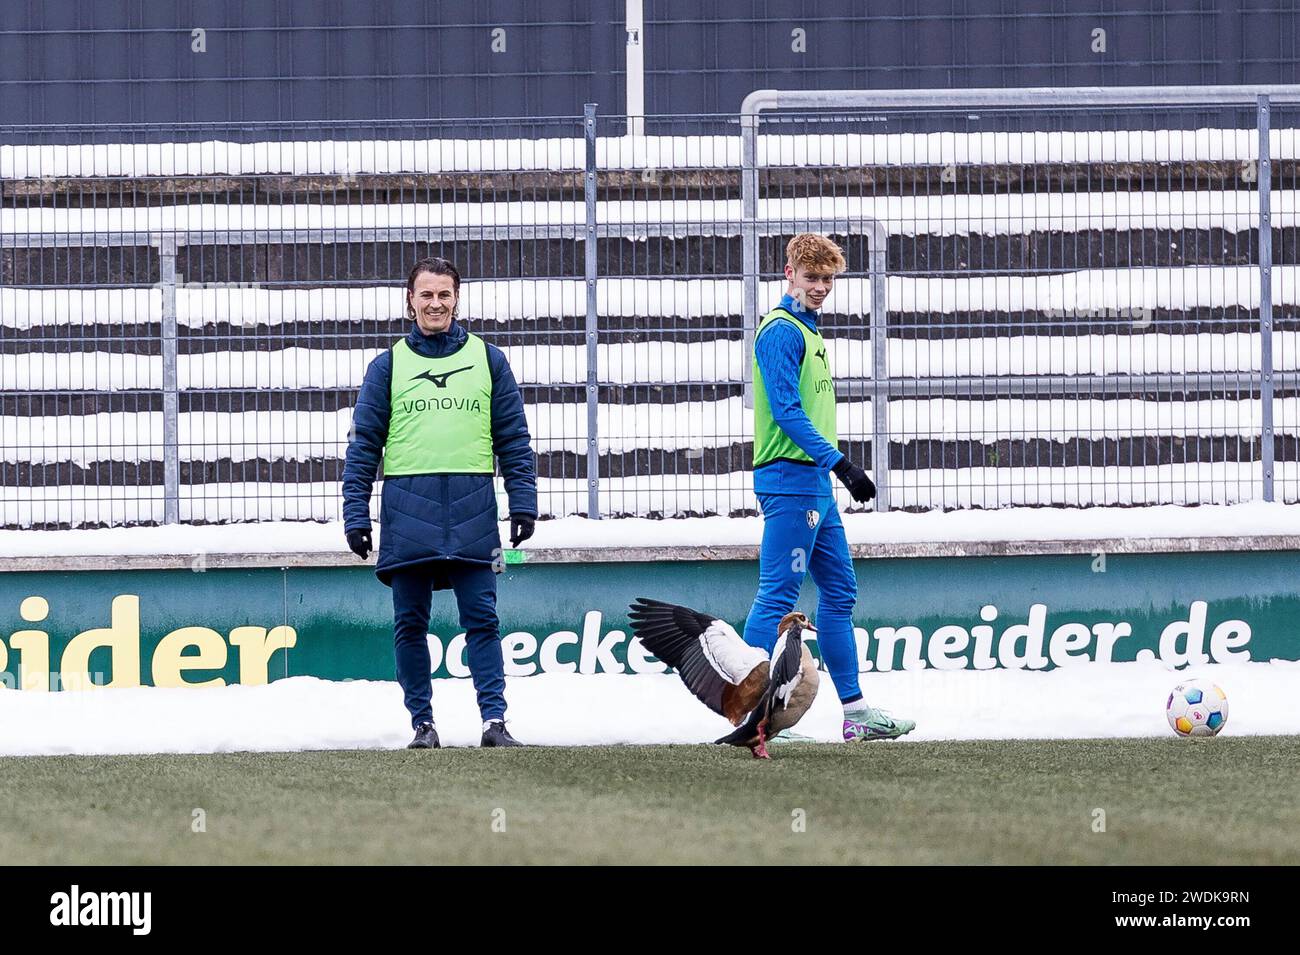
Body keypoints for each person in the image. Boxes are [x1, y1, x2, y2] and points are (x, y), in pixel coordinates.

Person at [342, 256, 537, 750]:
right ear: (410, 301)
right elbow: (364, 445)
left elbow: (513, 438)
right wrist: (355, 513)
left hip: (474, 514)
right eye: (426, 294)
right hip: (407, 515)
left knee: (484, 621)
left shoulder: (489, 360)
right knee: (410, 625)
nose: (435, 303)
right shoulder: (386, 366)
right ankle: (422, 725)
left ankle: (495, 722)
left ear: (457, 299)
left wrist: (523, 502)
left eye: (444, 294)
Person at [743, 233, 916, 741]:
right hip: (790, 478)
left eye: (828, 279)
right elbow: (786, 412)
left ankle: (857, 714)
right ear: (788, 272)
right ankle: (755, 716)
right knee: (777, 596)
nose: (820, 287)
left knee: (840, 592)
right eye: (811, 276)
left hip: (814, 482)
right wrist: (841, 464)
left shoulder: (807, 330)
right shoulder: (780, 331)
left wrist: (830, 471)